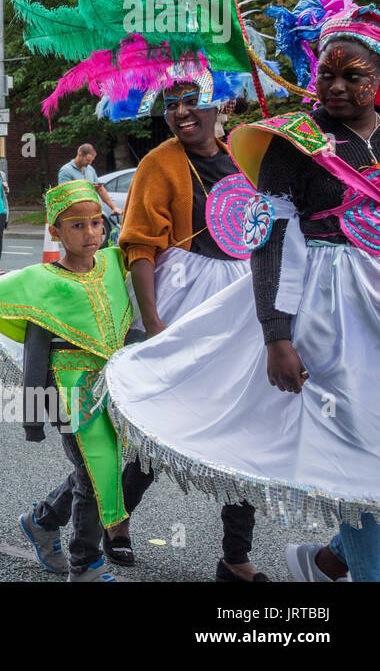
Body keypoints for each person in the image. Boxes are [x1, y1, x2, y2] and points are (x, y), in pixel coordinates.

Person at [103, 6, 380, 582]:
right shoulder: (290, 142)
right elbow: (270, 243)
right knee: (200, 413)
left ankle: (321, 561)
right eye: (327, 73)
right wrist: (275, 335)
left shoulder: (239, 151)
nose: (336, 85)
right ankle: (95, 516)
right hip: (314, 311)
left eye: (353, 75)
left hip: (358, 301)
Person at [111, 79, 262, 580]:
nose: (180, 113)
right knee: (167, 421)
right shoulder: (160, 162)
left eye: (192, 102)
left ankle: (235, 558)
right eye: (171, 105)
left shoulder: (246, 151)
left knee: (244, 422)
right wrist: (154, 322)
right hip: (182, 300)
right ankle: (114, 519)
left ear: (222, 103)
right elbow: (138, 247)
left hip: (239, 298)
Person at [0, 180, 136, 582]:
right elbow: (35, 356)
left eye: (96, 222)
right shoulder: (41, 284)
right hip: (66, 392)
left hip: (111, 391)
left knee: (93, 471)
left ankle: (42, 520)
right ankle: (85, 564)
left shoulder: (113, 264)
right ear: (55, 232)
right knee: (96, 475)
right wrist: (33, 416)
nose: (90, 232)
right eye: (76, 225)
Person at [57, 144, 120, 218]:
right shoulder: (66, 171)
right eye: (87, 160)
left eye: (91, 161)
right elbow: (64, 193)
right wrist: (86, 187)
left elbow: (100, 189)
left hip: (92, 212)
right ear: (80, 155)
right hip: (75, 214)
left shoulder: (90, 169)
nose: (90, 163)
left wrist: (113, 208)